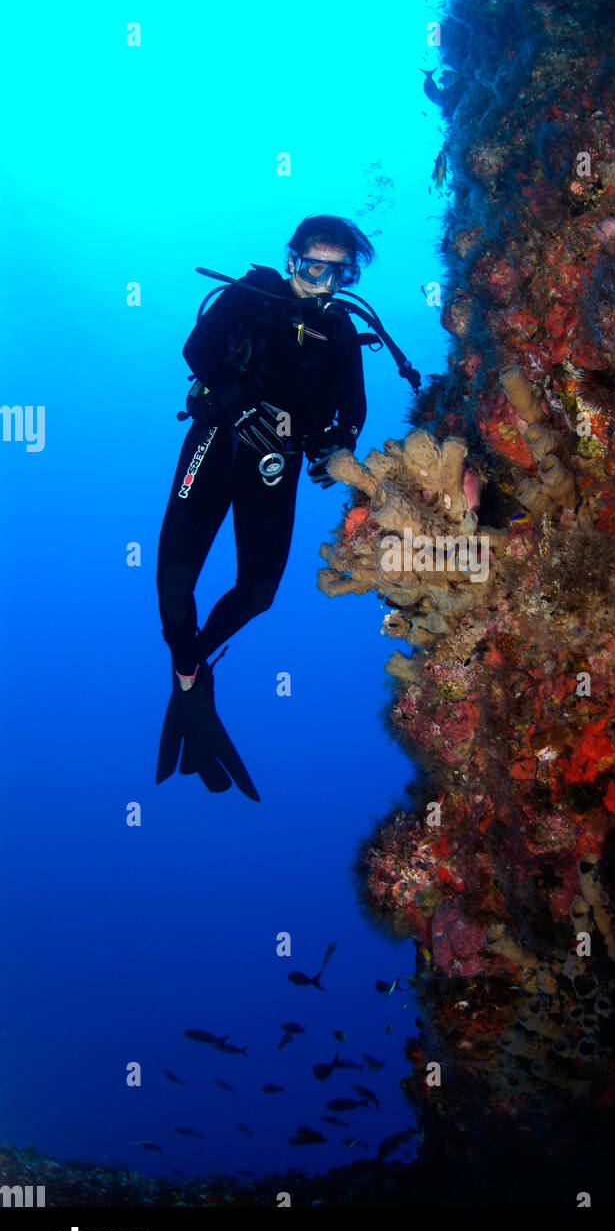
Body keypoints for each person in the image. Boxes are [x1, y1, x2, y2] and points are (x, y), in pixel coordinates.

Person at [155, 214, 375, 799]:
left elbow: (352, 409)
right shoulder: (249, 295)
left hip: (275, 466)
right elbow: (196, 348)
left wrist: (337, 448)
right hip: (214, 442)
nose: (323, 282)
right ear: (292, 258)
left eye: (339, 271)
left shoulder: (343, 331)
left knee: (258, 592)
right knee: (175, 587)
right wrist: (238, 402)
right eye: (313, 266)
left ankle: (189, 673)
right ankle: (190, 675)